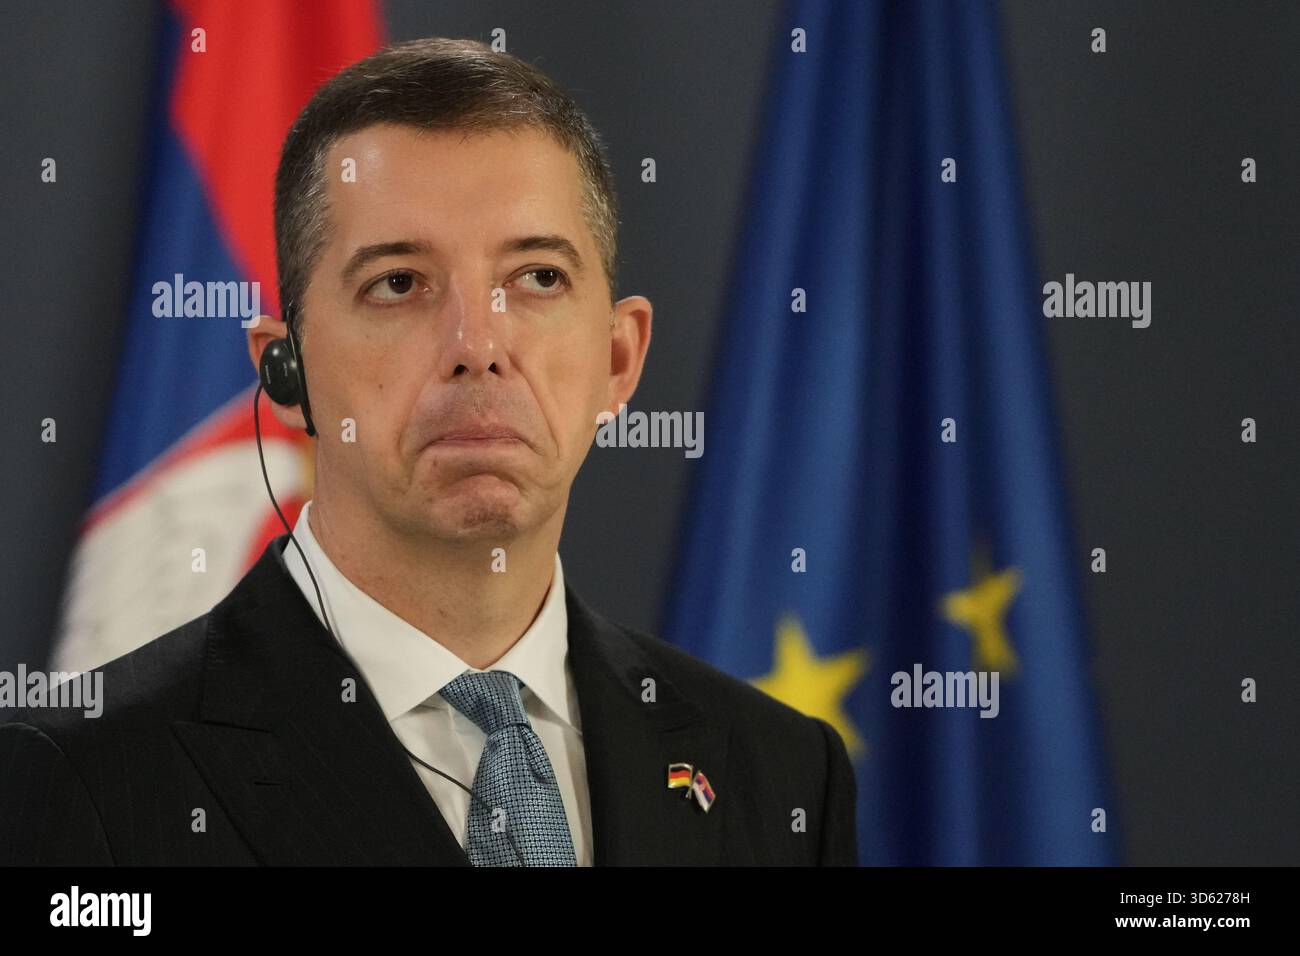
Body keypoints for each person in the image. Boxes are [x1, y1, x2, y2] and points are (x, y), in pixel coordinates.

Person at [0, 37, 857, 866]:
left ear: (618, 360)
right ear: (284, 372)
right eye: (399, 283)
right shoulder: (84, 781)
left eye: (537, 278)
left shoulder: (780, 775)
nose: (476, 344)